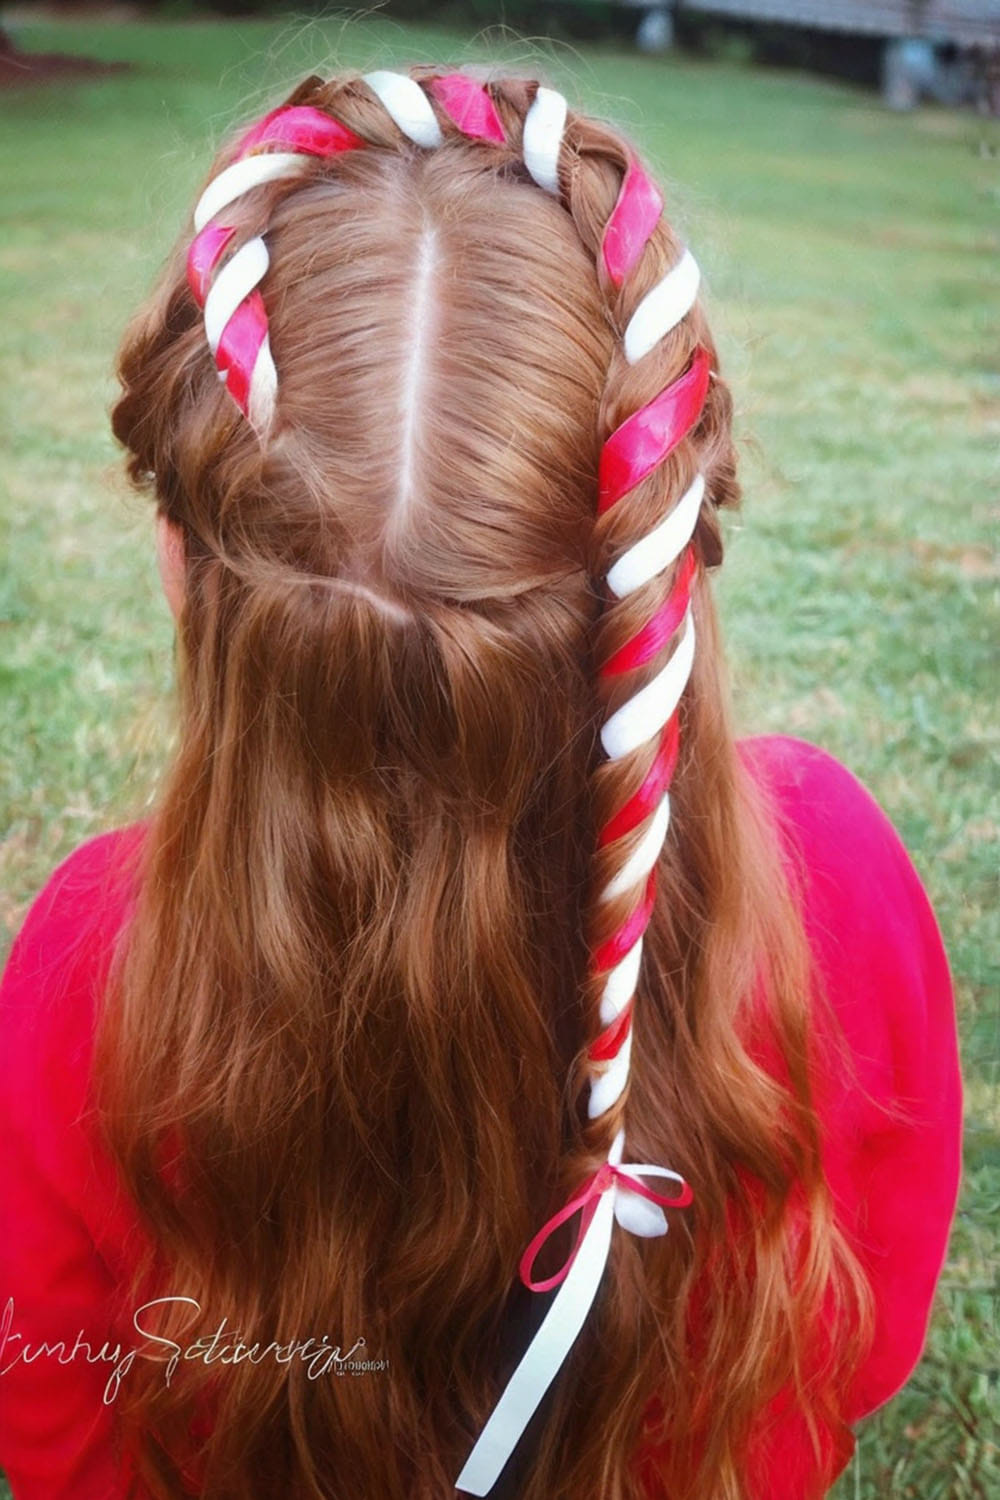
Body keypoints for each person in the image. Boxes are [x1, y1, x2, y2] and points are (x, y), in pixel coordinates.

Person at [0, 62, 963, 1500]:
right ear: (670, 559)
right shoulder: (838, 876)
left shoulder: (94, 972)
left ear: (186, 570)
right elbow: (859, 1349)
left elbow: (57, 1430)